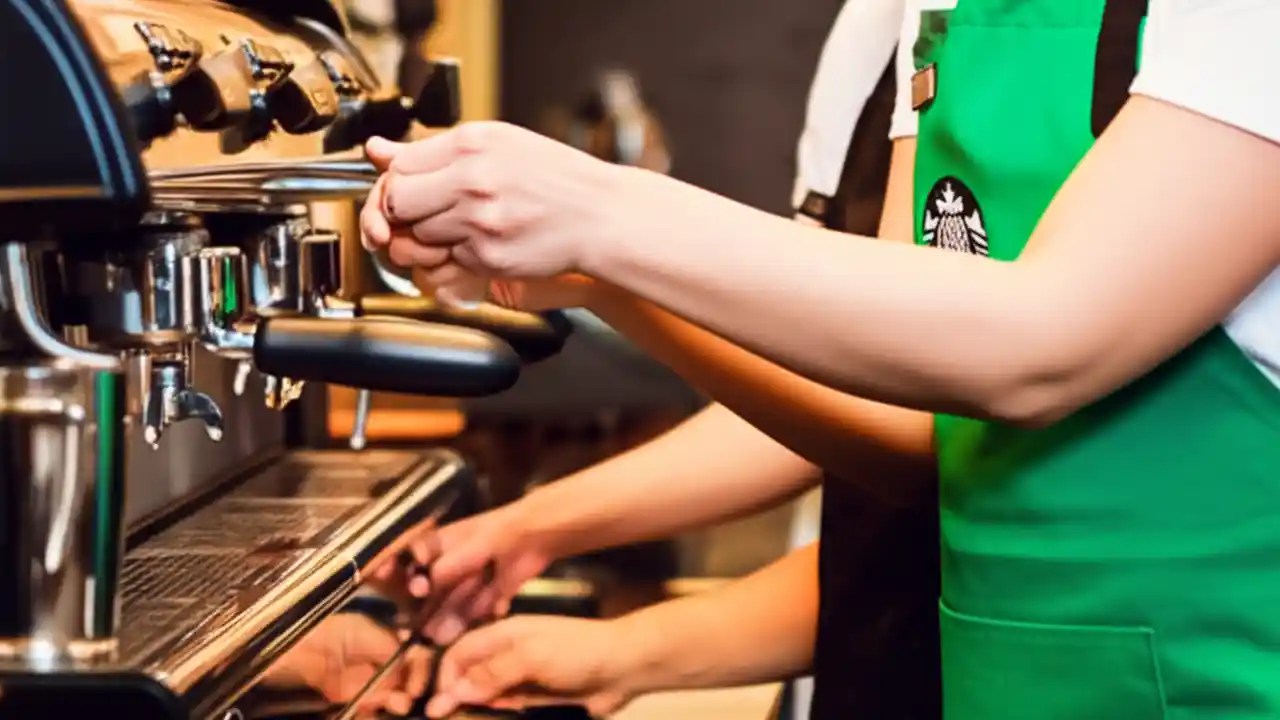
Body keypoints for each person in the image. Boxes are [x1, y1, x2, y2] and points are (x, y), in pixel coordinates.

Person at [365, 0, 1280, 716]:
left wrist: (603, 215)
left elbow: (1045, 341)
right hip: (1001, 679)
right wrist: (603, 275)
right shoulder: (945, 16)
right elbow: (910, 407)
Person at [366, 2, 945, 718]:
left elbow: (917, 415)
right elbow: (836, 387)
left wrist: (598, 257)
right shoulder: (879, 28)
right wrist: (531, 528)